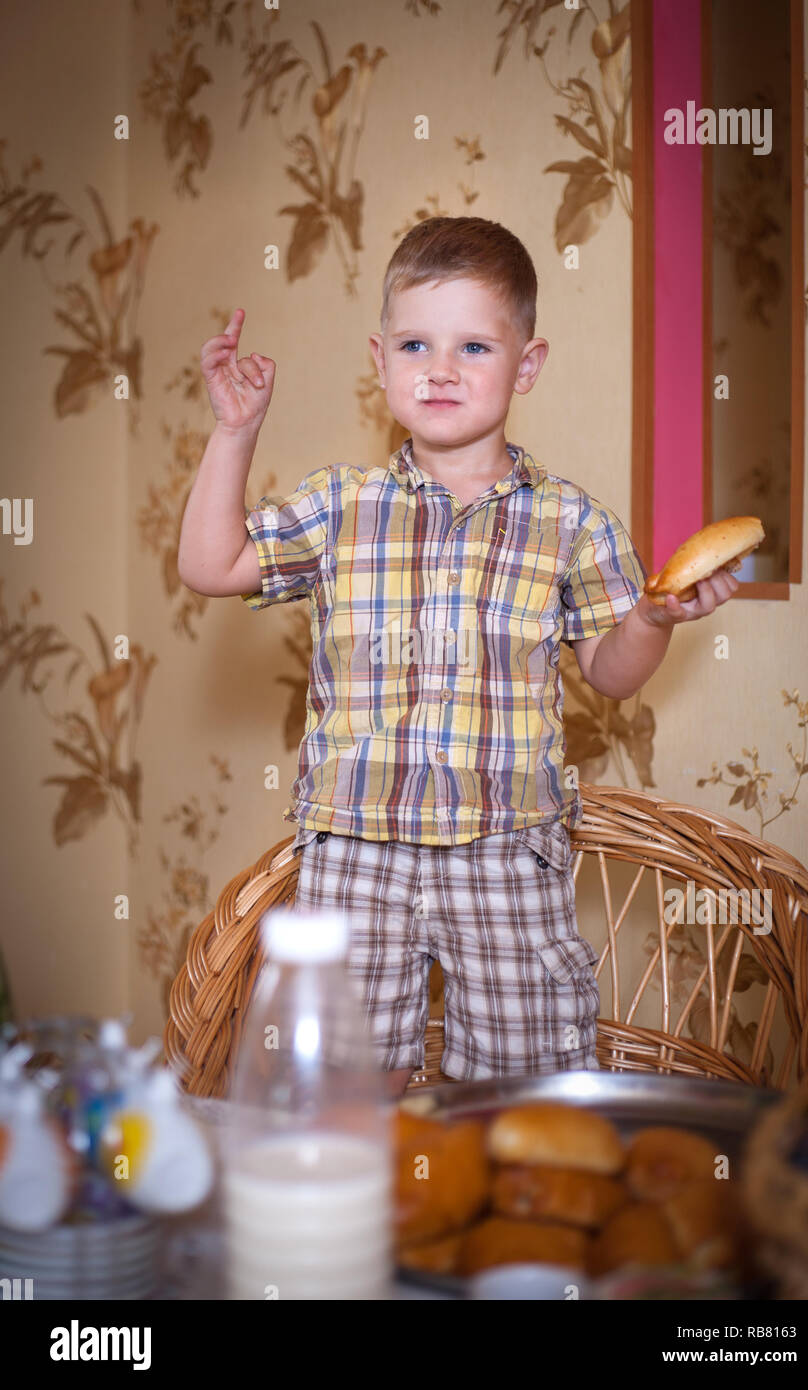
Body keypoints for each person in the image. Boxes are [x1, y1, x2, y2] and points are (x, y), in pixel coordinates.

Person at [178, 216, 739, 1098]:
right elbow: (209, 566)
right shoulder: (340, 504)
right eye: (414, 344)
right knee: (342, 1086)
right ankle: (365, 1230)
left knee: (526, 1084)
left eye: (472, 345)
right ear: (380, 360)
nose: (438, 369)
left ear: (525, 366)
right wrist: (234, 432)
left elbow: (609, 671)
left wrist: (655, 619)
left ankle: (511, 1228)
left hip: (508, 846)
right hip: (357, 846)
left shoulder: (571, 522)